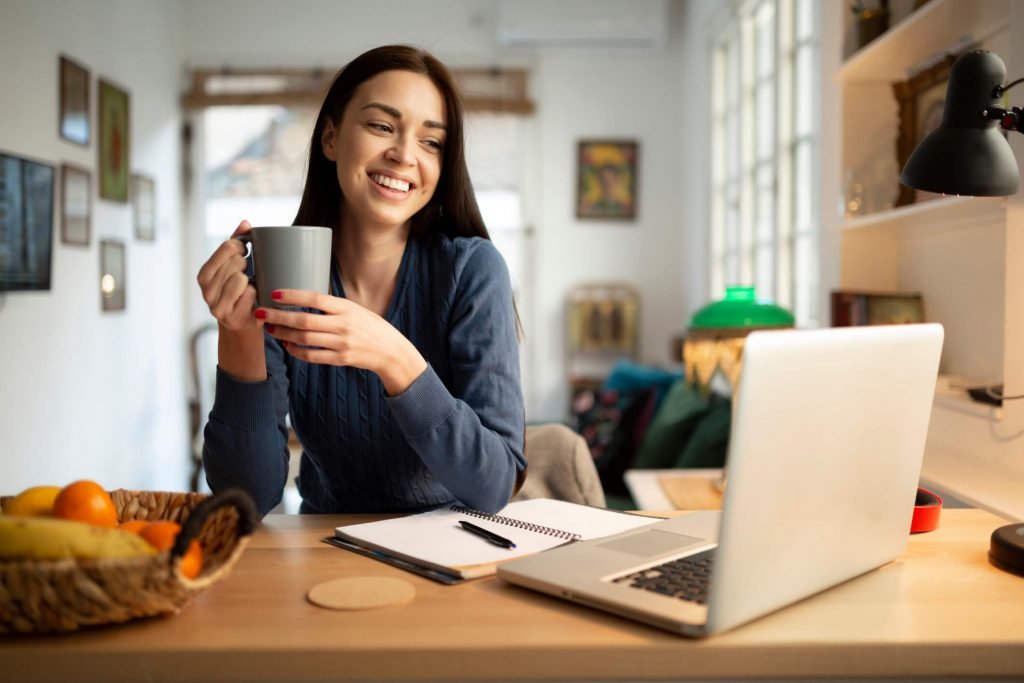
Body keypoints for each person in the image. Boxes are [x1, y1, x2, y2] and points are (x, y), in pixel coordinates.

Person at [196, 45, 526, 517]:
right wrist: (239, 334)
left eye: (431, 142)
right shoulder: (279, 277)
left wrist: (394, 359)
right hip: (325, 550)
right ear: (331, 138)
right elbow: (247, 499)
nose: (404, 155)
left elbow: (495, 484)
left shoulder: (472, 270)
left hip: (451, 552)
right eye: (382, 126)